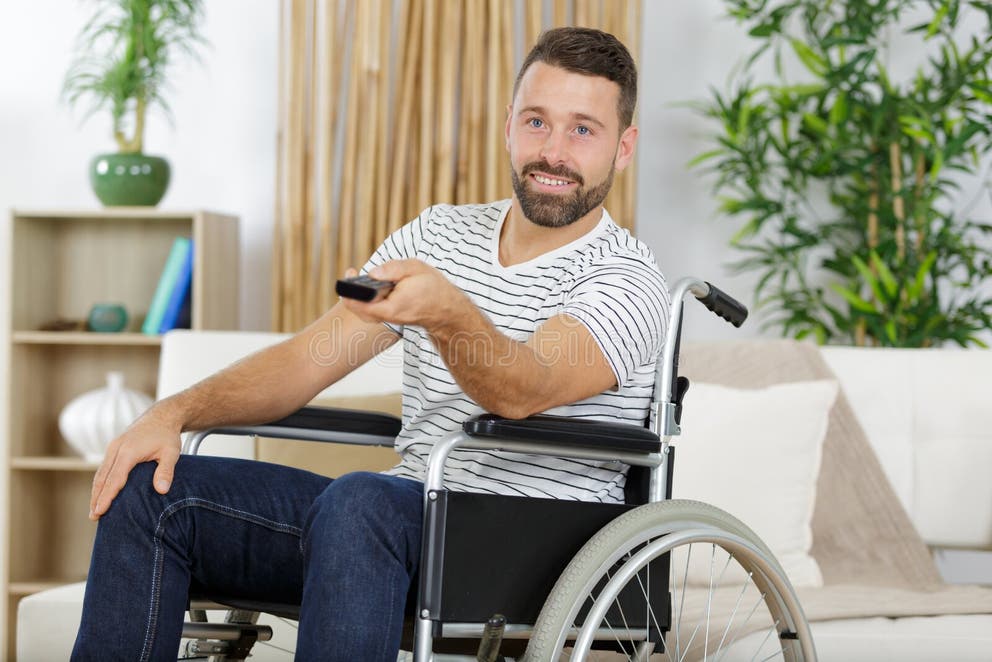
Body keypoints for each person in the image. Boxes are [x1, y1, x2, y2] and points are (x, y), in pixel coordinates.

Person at [72, 26, 670, 662]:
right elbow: (308, 359)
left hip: (532, 543)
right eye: (536, 121)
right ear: (508, 125)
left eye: (583, 129)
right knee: (151, 494)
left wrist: (447, 314)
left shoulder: (627, 278)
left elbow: (524, 389)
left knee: (362, 501)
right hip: (397, 521)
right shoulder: (439, 235)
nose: (552, 151)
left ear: (623, 147)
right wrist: (170, 413)